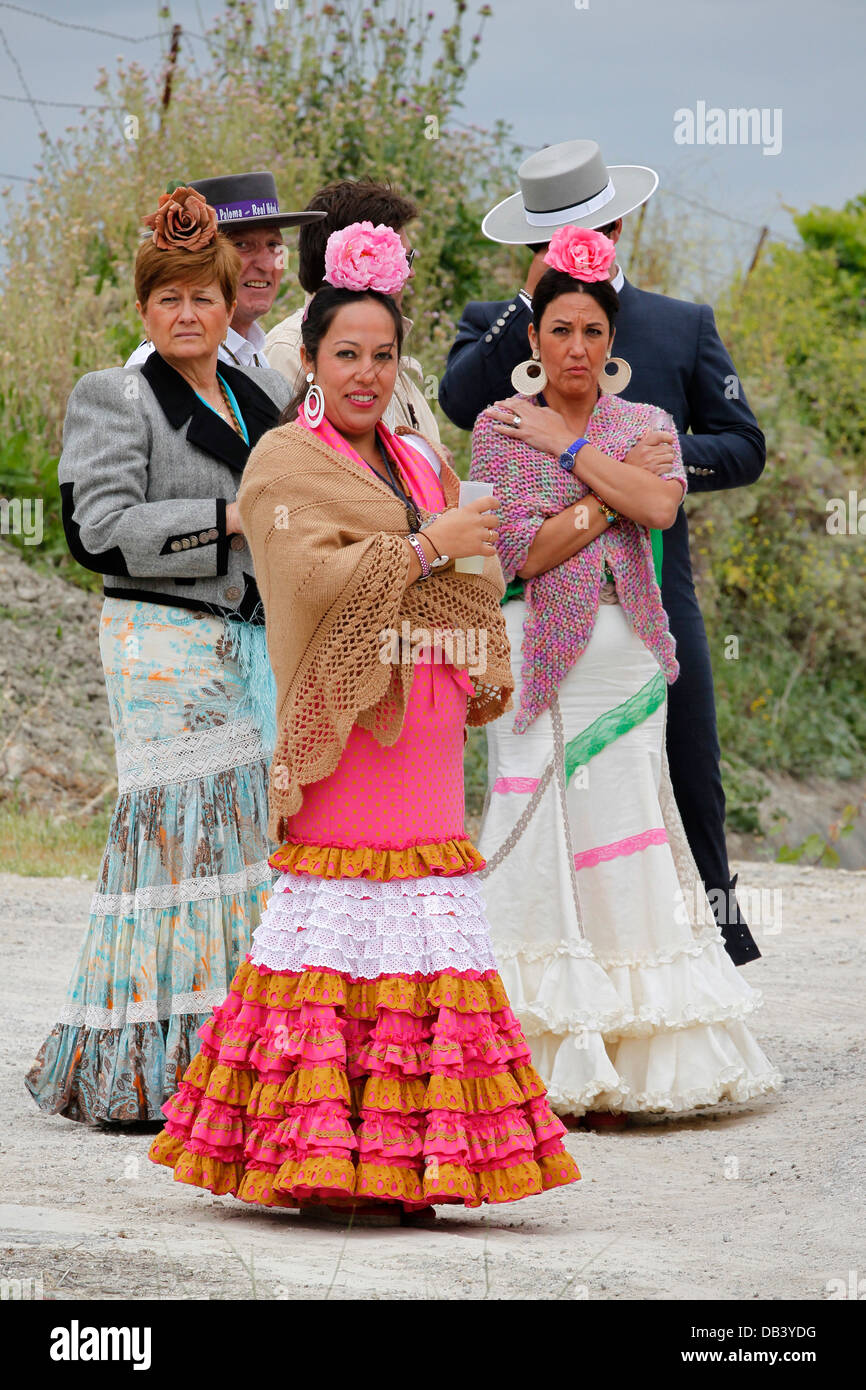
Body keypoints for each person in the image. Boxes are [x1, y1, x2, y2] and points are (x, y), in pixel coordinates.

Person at [149, 221, 580, 1217]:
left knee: (422, 935)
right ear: (309, 358)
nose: (365, 373)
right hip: (347, 731)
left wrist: (465, 602)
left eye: (382, 355)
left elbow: (472, 564)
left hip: (424, 730)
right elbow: (304, 576)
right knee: (344, 931)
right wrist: (426, 550)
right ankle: (324, 1163)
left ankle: (416, 1164)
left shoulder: (420, 456)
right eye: (345, 353)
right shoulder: (282, 463)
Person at [470, 224, 780, 1123]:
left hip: (631, 667)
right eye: (560, 329)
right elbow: (516, 554)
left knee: (625, 828)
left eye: (593, 333)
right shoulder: (496, 427)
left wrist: (569, 463)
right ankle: (533, 1049)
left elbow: (659, 502)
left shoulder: (646, 421)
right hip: (540, 669)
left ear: (613, 345)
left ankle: (636, 1049)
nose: (576, 347)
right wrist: (608, 501)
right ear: (532, 338)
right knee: (532, 832)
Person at [440, 138, 764, 967]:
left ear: (618, 222)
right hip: (533, 587)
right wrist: (528, 297)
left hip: (651, 578)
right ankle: (554, 939)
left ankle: (713, 936)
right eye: (542, 235)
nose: (576, 343)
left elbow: (743, 445)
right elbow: (462, 402)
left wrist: (658, 463)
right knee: (539, 771)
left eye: (584, 225)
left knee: (685, 751)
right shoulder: (500, 325)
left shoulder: (679, 324)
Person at [25, 185, 292, 1124]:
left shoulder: (265, 394)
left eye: (204, 298)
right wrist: (225, 522)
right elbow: (94, 532)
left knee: (241, 839)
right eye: (169, 298)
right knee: (180, 837)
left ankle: (227, 1059)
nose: (188, 313)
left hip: (251, 646)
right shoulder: (115, 394)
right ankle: (143, 1070)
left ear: (229, 307)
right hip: (160, 644)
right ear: (145, 308)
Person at [264, 179, 440, 441]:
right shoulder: (287, 350)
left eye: (381, 356)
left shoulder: (391, 346)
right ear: (359, 260)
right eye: (402, 259)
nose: (410, 273)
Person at [126, 170, 324, 370]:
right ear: (202, 259)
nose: (265, 265)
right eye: (242, 245)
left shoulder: (254, 354)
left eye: (273, 245)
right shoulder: (158, 365)